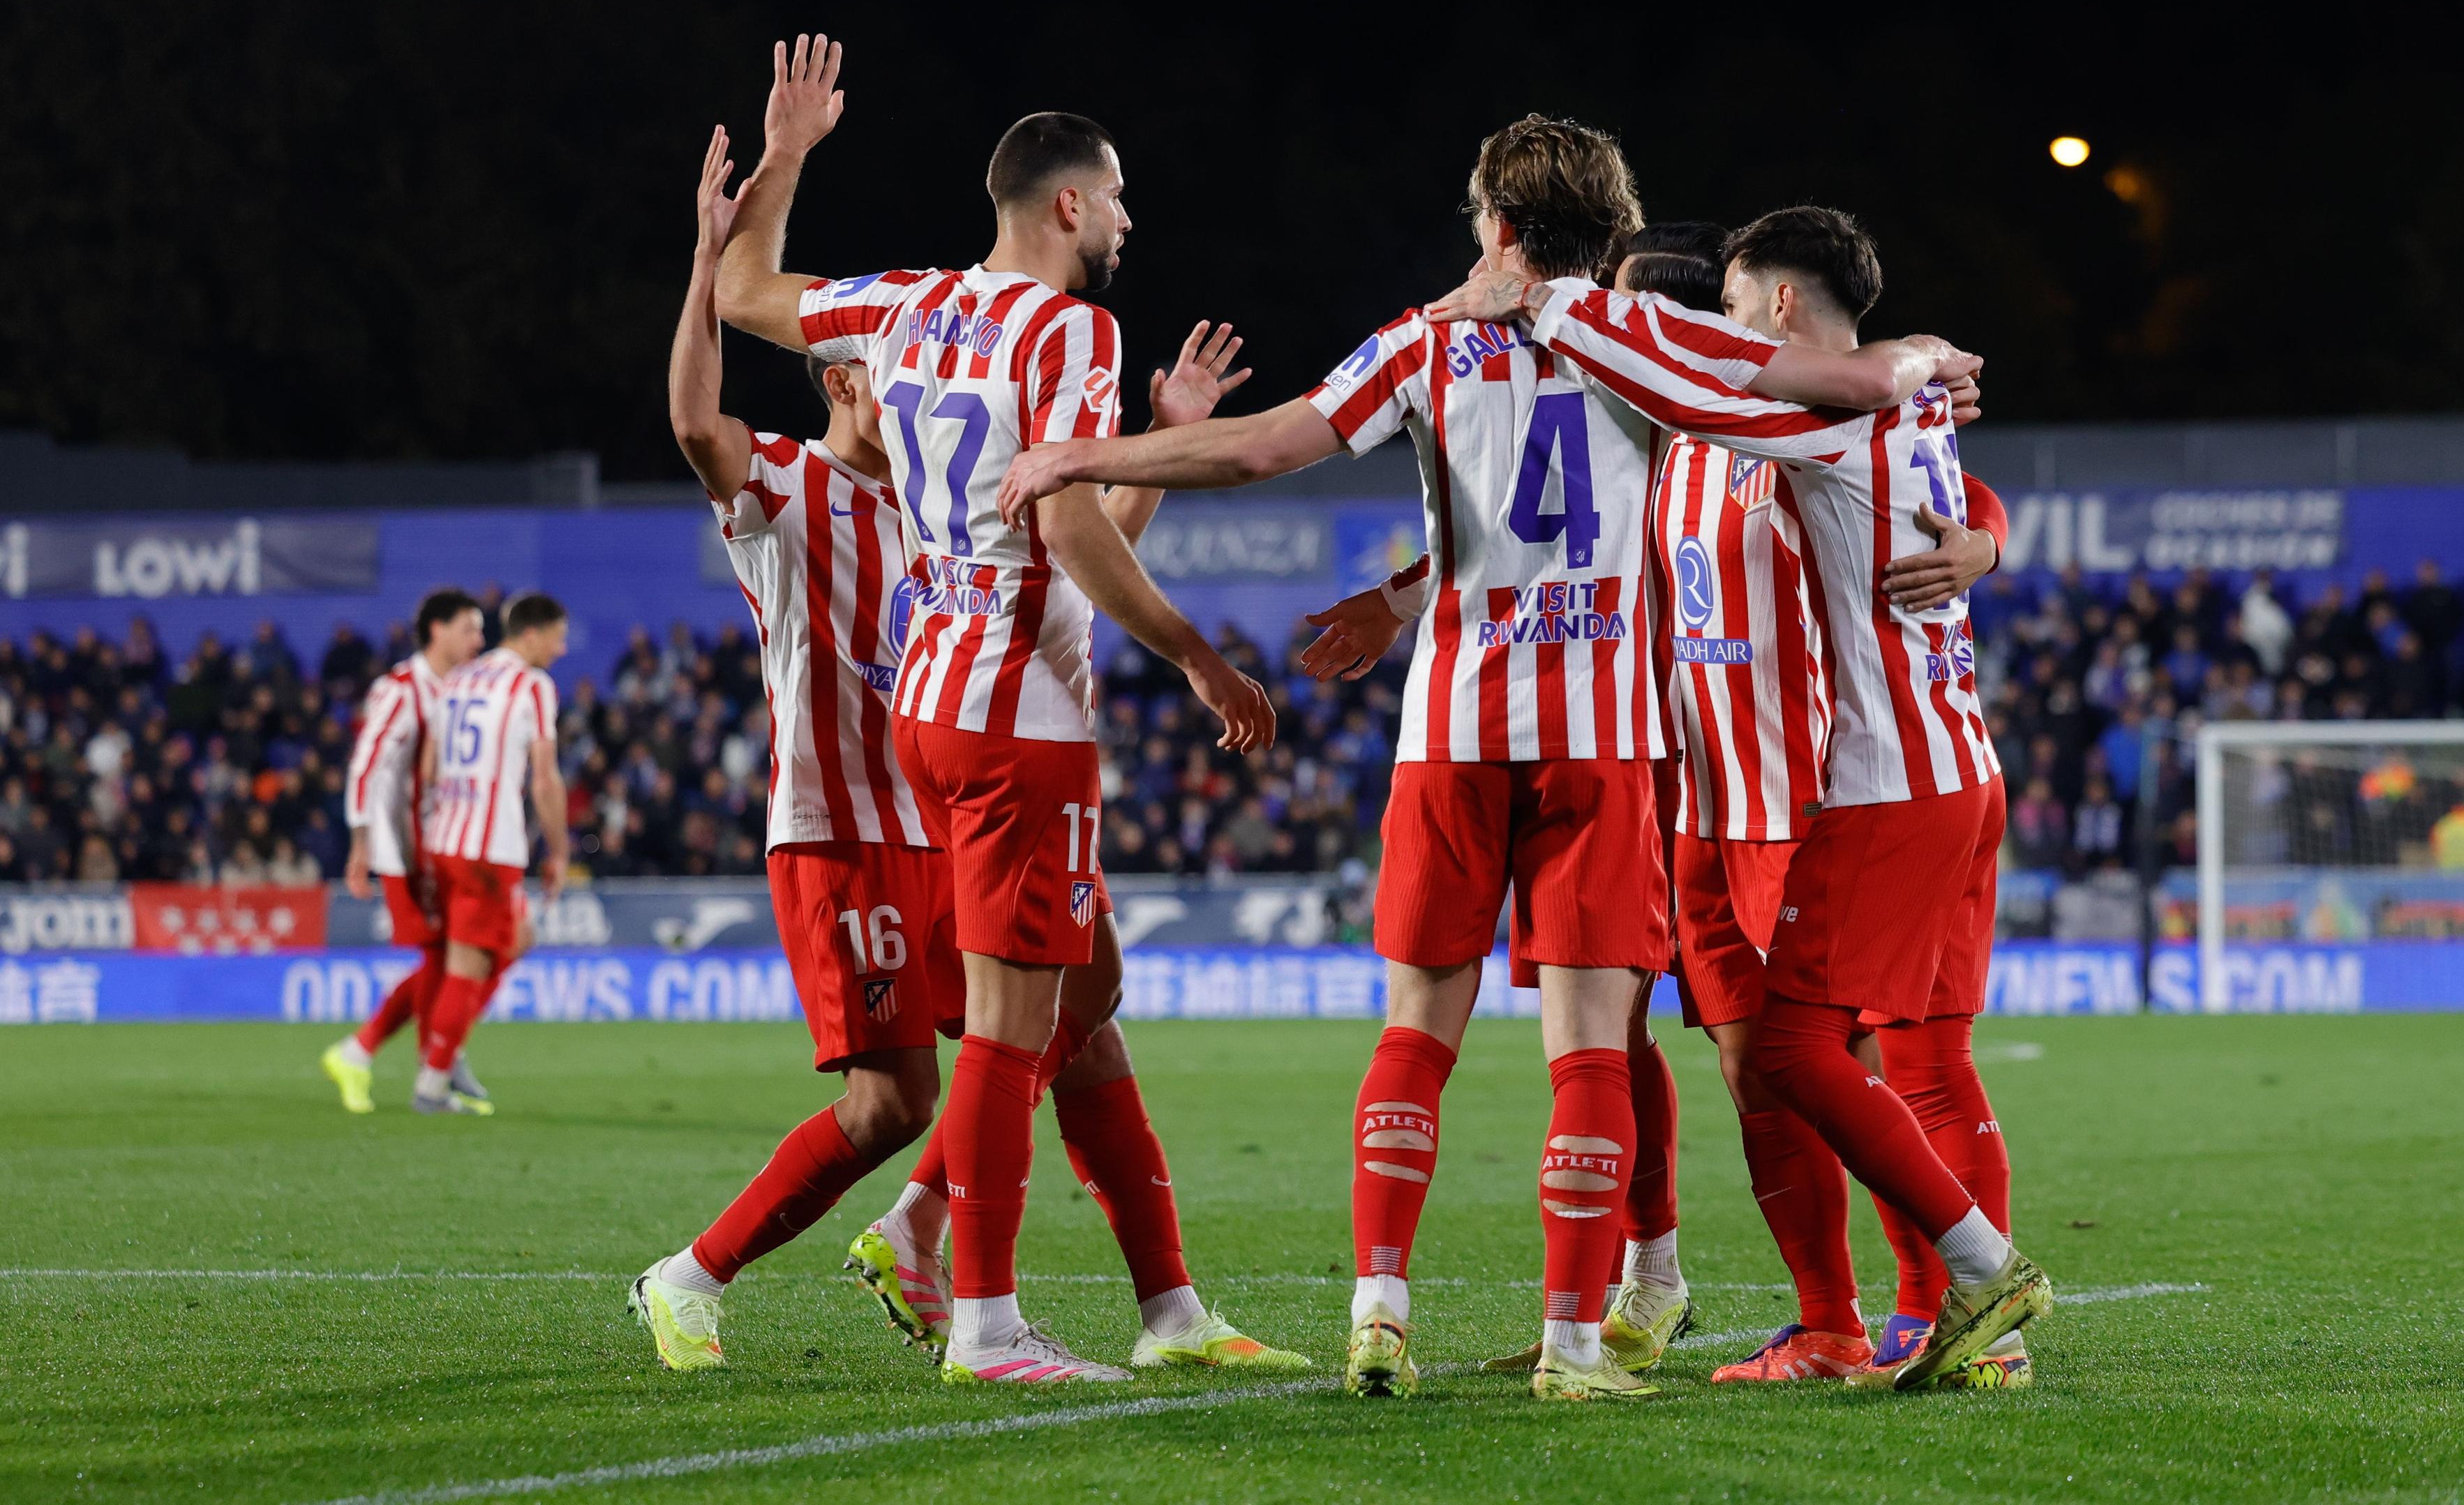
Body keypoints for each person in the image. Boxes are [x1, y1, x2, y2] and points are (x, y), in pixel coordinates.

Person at [996, 120, 2026, 1398]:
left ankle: (1396, 1307)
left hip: (1521, 741)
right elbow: (1862, 405)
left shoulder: (1444, 339)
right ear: (1611, 238)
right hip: (1631, 756)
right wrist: (1920, 366)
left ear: (1493, 227)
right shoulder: (1652, 355)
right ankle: (1627, 1327)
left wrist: (1084, 455)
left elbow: (1268, 445)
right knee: (1624, 1045)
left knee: (1456, 1026)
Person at [632, 114, 1298, 1379]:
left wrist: (782, 166)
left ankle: (1166, 1312)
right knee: (1006, 1031)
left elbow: (742, 288)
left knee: (1081, 1004)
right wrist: (1198, 657)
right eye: (1114, 200)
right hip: (1015, 718)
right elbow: (1070, 534)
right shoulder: (1070, 331)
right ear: (1063, 207)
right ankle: (975, 1309)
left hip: (938, 710)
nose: (1124, 223)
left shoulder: (907, 308)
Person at [1416, 202, 2056, 1393]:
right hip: (1699, 805)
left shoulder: (1764, 416)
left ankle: (1958, 1308)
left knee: (1897, 1054)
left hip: (1815, 796)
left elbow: (1909, 466)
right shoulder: (1649, 437)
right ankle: (1831, 1320)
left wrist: (1982, 530)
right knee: (1756, 1072)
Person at [320, 588, 486, 1114]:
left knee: (446, 953)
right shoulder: (400, 689)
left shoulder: (461, 688)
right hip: (403, 848)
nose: (478, 641)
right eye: (469, 628)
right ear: (437, 630)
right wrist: (360, 844)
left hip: (443, 845)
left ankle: (422, 1064)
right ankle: (400, 1058)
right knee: (445, 953)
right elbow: (365, 764)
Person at [414, 591, 569, 1114]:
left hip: (446, 838)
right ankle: (434, 1081)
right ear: (531, 635)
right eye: (557, 638)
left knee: (517, 937)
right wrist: (560, 851)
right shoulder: (533, 685)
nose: (562, 650)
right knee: (467, 965)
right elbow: (545, 782)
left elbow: (431, 767)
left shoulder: (458, 678)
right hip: (488, 846)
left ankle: (446, 1046)